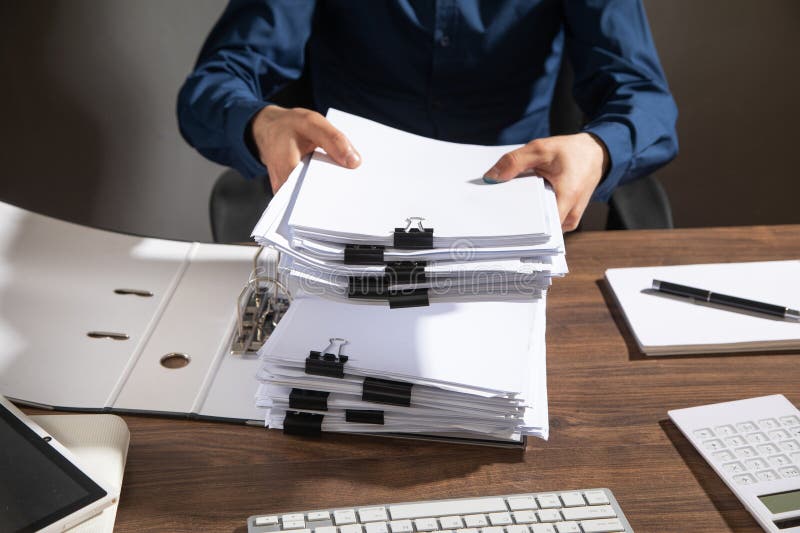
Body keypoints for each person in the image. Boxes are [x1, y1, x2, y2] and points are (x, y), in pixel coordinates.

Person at [178, 0, 678, 231]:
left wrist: (599, 148)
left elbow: (645, 98)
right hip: (347, 211)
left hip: (510, 213)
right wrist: (260, 122)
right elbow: (210, 88)